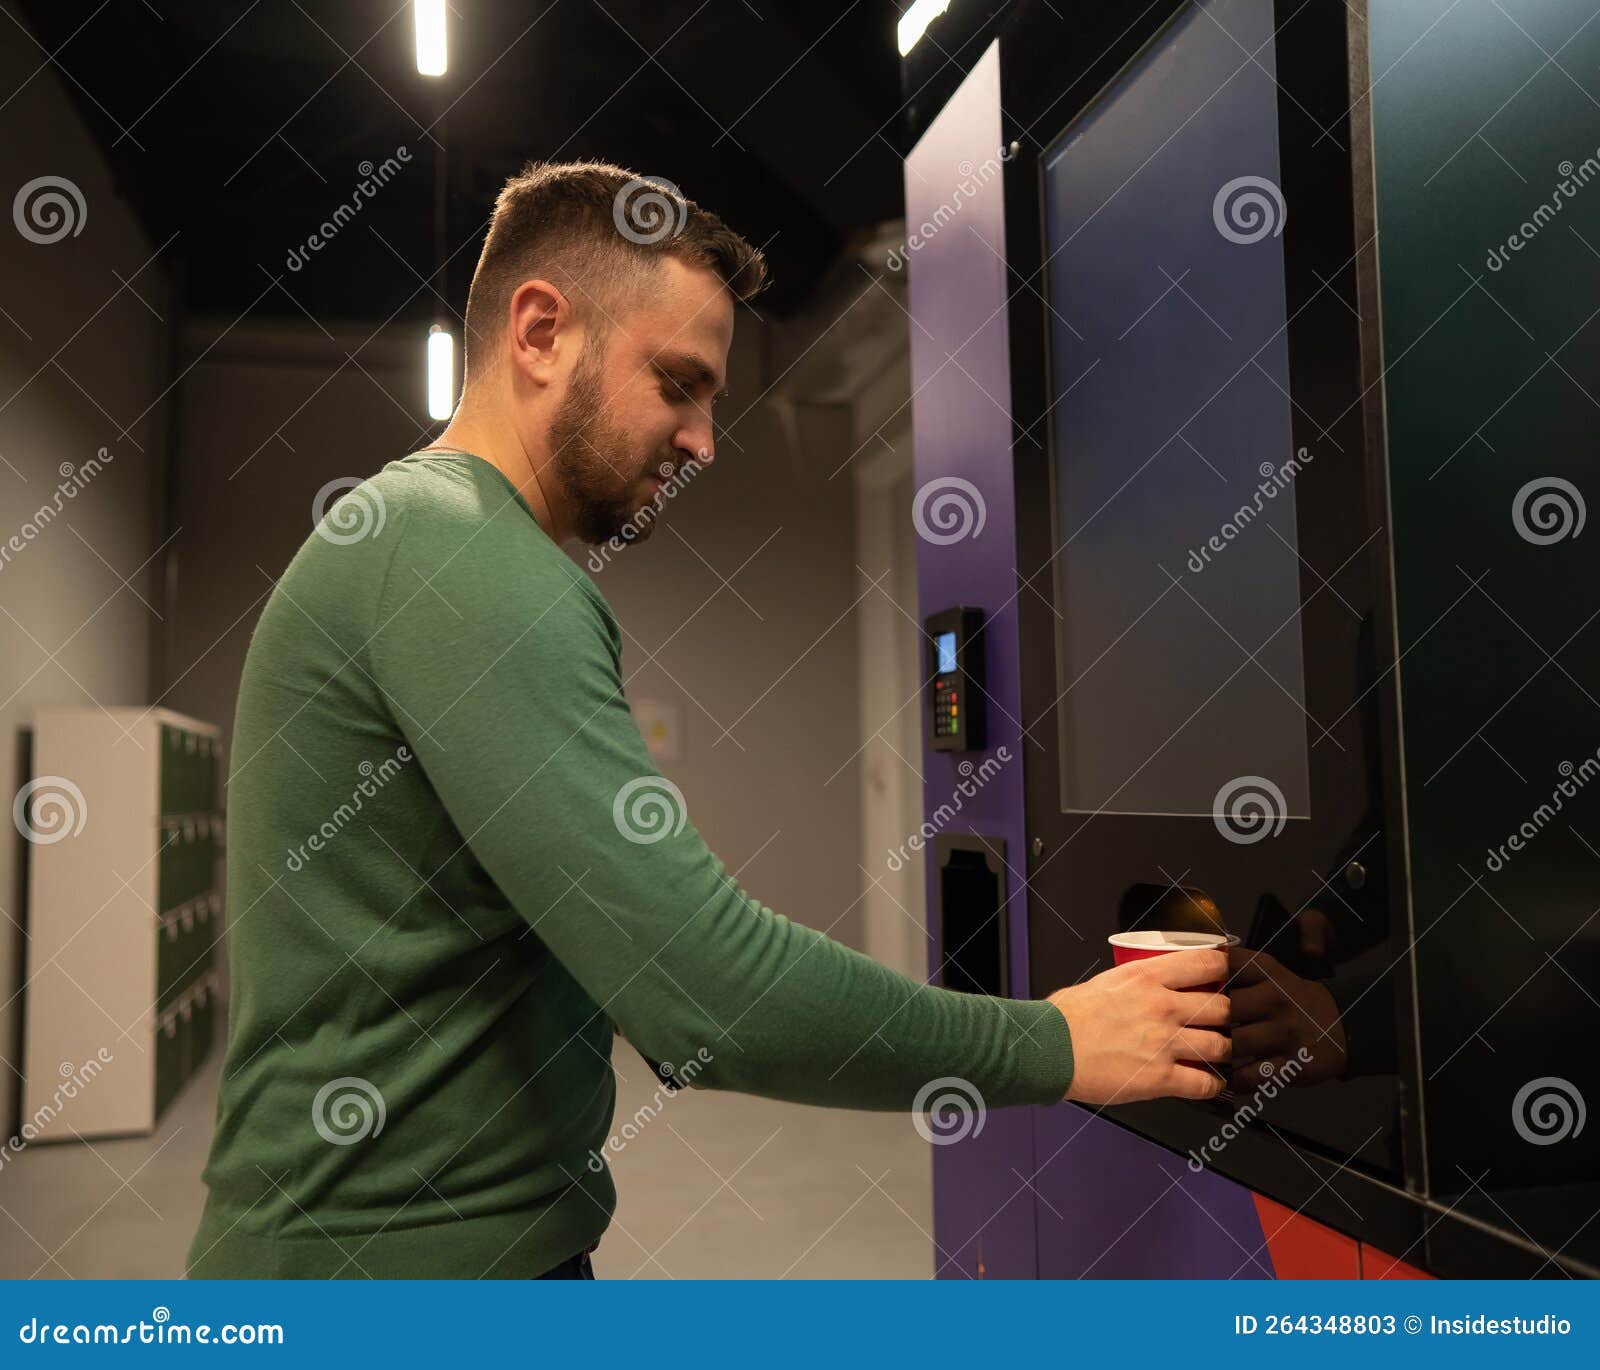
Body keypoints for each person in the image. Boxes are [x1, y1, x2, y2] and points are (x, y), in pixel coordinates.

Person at [186, 160, 1229, 1280]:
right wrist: (1059, 1039)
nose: (704, 440)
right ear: (540, 331)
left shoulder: (425, 541)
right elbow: (706, 993)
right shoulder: (454, 557)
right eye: (679, 382)